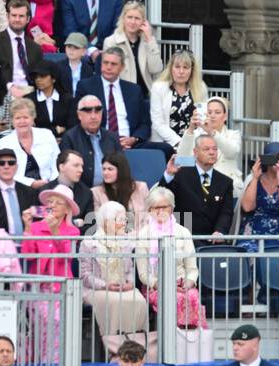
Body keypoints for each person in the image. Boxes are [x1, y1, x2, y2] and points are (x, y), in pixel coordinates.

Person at [22, 183, 79, 362]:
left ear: (67, 209)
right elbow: (27, 254)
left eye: (58, 203)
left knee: (57, 323)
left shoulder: (72, 230)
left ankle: (54, 364)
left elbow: (68, 255)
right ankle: (42, 363)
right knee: (44, 325)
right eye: (50, 202)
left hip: (62, 287)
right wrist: (28, 227)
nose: (52, 206)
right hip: (39, 287)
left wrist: (55, 232)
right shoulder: (37, 227)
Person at [80, 199, 147, 349]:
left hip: (123, 288)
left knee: (139, 301)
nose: (124, 223)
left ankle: (134, 347)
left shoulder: (127, 242)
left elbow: (129, 270)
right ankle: (113, 348)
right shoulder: (89, 243)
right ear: (106, 222)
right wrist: (106, 285)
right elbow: (85, 276)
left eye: (124, 219)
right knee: (114, 302)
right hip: (97, 289)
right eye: (119, 219)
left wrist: (130, 283)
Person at [135, 185, 204, 330]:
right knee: (173, 298)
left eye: (164, 207)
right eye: (155, 208)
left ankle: (191, 340)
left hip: (182, 285)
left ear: (171, 208)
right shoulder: (143, 234)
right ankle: (171, 340)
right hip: (155, 286)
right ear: (149, 210)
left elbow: (192, 269)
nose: (160, 211)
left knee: (191, 296)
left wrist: (188, 283)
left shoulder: (183, 232)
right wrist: (164, 285)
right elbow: (143, 274)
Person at [162, 136, 234, 244]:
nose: (212, 152)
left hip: (212, 239)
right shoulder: (180, 174)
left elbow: (226, 212)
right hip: (184, 238)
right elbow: (161, 197)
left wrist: (219, 231)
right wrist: (169, 174)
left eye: (215, 149)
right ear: (195, 152)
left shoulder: (225, 182)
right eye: (207, 149)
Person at [0, 0, 43, 96]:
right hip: (3, 92)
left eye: (21, 16)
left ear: (28, 19)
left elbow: (39, 77)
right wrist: (10, 88)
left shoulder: (35, 48)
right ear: (7, 17)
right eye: (14, 15)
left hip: (30, 94)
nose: (17, 19)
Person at [236, 142, 279, 252]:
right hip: (252, 235)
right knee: (247, 253)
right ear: (266, 161)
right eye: (276, 158)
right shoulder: (252, 179)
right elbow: (247, 207)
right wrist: (255, 177)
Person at [176, 95, 241, 188]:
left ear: (225, 116)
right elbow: (181, 159)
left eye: (217, 112)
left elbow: (232, 152)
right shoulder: (195, 134)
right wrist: (190, 128)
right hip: (198, 185)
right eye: (209, 112)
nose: (213, 115)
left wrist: (211, 132)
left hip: (227, 185)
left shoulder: (233, 134)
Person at [148, 49, 204, 155]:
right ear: (171, 68)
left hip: (194, 143)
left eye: (185, 67)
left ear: (192, 70)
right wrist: (180, 143)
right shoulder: (158, 87)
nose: (181, 71)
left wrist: (190, 143)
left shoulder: (201, 88)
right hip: (167, 144)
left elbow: (202, 121)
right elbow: (157, 123)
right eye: (177, 67)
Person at [60, 93, 121, 187]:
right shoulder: (69, 138)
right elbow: (67, 173)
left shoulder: (112, 137)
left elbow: (122, 167)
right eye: (88, 112)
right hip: (82, 193)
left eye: (97, 111)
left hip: (112, 190)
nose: (93, 116)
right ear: (79, 115)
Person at [100, 0, 161, 90]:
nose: (133, 22)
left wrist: (149, 40)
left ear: (143, 22)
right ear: (123, 19)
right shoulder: (111, 42)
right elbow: (109, 72)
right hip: (123, 93)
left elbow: (155, 69)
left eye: (137, 18)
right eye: (129, 17)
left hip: (146, 94)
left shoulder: (148, 41)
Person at [0, 98, 57, 186]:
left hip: (49, 185)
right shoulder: (4, 143)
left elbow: (57, 164)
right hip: (18, 188)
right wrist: (31, 183)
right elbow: (2, 171)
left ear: (33, 118)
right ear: (12, 121)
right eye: (18, 118)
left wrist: (53, 183)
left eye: (25, 117)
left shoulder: (47, 135)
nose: (22, 122)